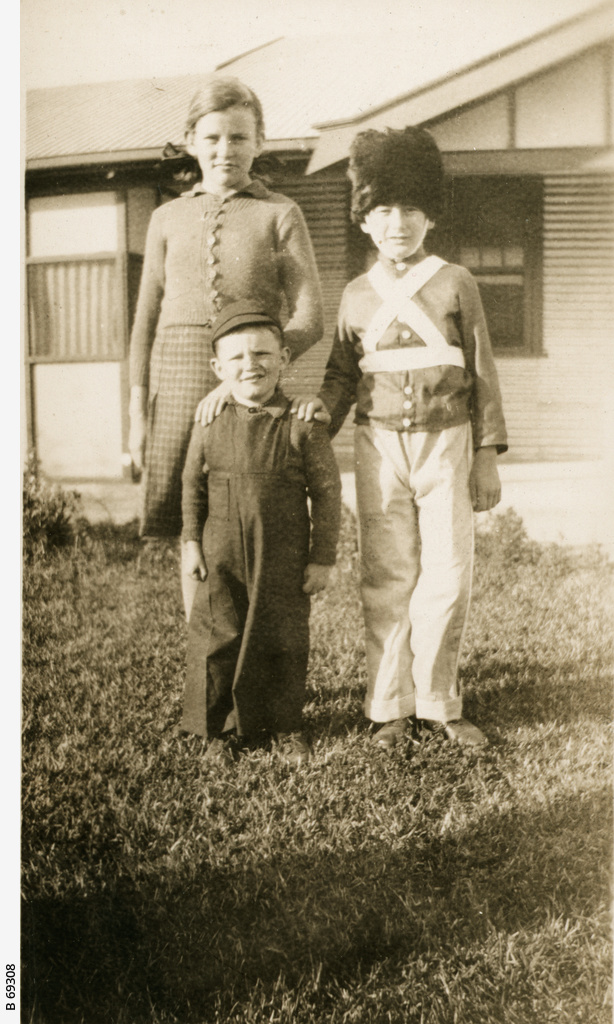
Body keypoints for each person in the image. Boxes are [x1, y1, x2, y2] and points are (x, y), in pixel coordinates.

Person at [303, 126, 507, 750]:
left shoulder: (457, 282)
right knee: (387, 574)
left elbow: (482, 372)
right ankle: (389, 704)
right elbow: (342, 373)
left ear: (431, 217)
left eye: (412, 209)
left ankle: (439, 702)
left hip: (447, 441)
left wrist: (485, 455)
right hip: (377, 446)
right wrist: (319, 417)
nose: (399, 222)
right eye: (385, 209)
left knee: (448, 570)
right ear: (365, 219)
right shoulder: (355, 295)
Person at [128, 75, 324, 617]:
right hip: (178, 381)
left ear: (259, 142)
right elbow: (143, 322)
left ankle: (250, 647)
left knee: (244, 513)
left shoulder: (279, 213)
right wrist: (136, 413)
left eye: (239, 138)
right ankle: (204, 648)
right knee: (189, 521)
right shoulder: (166, 218)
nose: (225, 151)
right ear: (191, 140)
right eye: (212, 138)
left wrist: (247, 372)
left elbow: (310, 317)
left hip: (249, 392)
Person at [179, 301, 341, 766]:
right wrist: (192, 541)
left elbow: (328, 495)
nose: (251, 365)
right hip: (221, 554)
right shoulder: (208, 421)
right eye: (237, 357)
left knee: (284, 637)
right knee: (217, 636)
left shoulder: (303, 424)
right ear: (218, 368)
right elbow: (191, 483)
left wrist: (321, 557)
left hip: (282, 556)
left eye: (263, 354)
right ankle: (215, 729)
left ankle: (286, 726)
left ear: (285, 359)